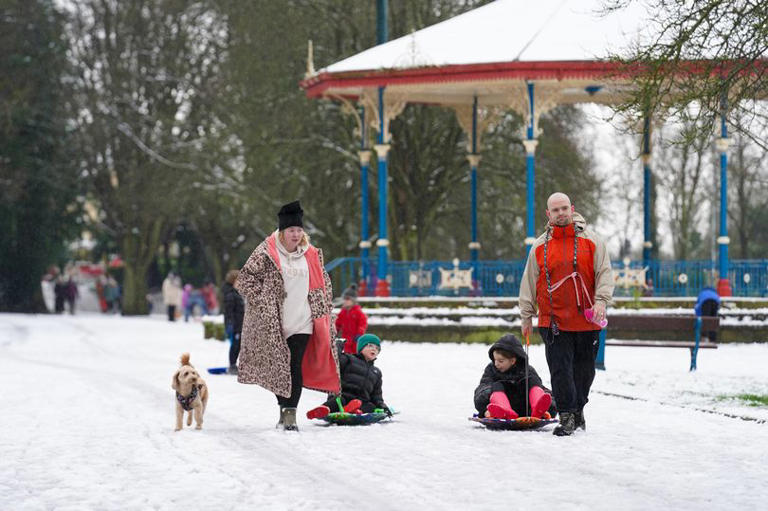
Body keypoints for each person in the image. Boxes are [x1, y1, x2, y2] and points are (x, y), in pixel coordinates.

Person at [235, 200, 339, 431]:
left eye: (299, 230)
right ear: (282, 232)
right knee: (278, 367)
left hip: (303, 320)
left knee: (294, 366)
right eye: (291, 230)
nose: (296, 234)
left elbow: (324, 283)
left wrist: (324, 308)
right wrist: (263, 300)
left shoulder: (311, 255)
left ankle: (290, 414)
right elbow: (244, 280)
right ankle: (283, 407)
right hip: (274, 323)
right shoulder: (266, 252)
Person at [519, 192, 614, 436]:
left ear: (572, 209)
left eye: (564, 208)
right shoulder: (539, 246)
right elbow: (530, 280)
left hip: (587, 319)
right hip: (553, 320)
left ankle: (579, 408)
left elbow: (604, 273)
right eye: (555, 210)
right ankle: (567, 416)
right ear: (548, 214)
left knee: (584, 371)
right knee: (560, 370)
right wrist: (526, 315)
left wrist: (602, 301)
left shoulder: (593, 241)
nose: (561, 213)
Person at [305, 333, 391, 419]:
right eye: (370, 346)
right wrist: (338, 346)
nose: (374, 349)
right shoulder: (349, 359)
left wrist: (382, 406)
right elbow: (334, 360)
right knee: (338, 400)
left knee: (370, 406)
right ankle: (323, 409)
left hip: (361, 401)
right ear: (361, 348)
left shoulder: (376, 372)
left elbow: (377, 395)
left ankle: (354, 410)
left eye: (377, 348)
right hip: (344, 395)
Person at [474, 334, 555, 420]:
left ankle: (538, 410)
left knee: (532, 380)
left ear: (512, 361)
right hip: (499, 406)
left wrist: (550, 407)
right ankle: (504, 411)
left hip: (526, 410)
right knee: (497, 385)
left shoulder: (527, 370)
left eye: (500, 361)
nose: (496, 364)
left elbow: (543, 390)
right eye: (494, 360)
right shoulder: (491, 370)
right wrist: (485, 409)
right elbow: (481, 391)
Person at [222, 270, 245, 375]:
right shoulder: (231, 295)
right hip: (235, 325)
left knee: (239, 345)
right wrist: (230, 325)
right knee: (235, 346)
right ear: (233, 281)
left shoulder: (238, 294)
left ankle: (235, 364)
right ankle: (232, 365)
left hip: (240, 325)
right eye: (239, 280)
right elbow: (228, 312)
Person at [335, 284, 368, 354]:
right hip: (345, 339)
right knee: (345, 355)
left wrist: (360, 334)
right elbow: (338, 323)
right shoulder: (343, 312)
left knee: (355, 356)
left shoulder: (358, 312)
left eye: (348, 299)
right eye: (344, 299)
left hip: (355, 340)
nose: (345, 301)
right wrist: (335, 331)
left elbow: (362, 324)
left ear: (353, 300)